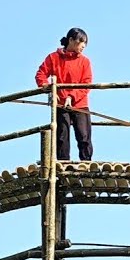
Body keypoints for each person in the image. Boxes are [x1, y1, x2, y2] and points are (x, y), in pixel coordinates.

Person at [35, 27, 93, 161]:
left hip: (80, 103)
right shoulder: (53, 58)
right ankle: (63, 166)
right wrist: (49, 89)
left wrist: (71, 96)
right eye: (81, 42)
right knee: (61, 137)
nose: (83, 46)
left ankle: (87, 165)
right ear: (71, 40)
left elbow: (86, 83)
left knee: (84, 136)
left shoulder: (85, 61)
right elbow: (41, 75)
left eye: (85, 43)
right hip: (60, 104)